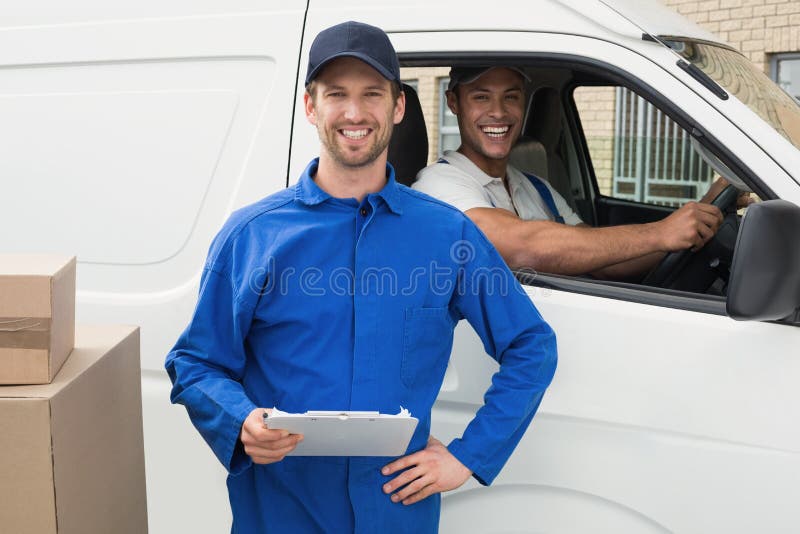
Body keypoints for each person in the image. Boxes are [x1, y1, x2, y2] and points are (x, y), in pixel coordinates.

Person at [165, 22, 557, 534]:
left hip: (396, 510)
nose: (354, 113)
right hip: (280, 510)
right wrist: (239, 420)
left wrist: (468, 457)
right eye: (337, 95)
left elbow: (531, 345)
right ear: (311, 106)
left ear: (397, 108)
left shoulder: (446, 234)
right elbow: (196, 363)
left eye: (372, 94)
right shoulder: (252, 236)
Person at [413, 66, 746, 280]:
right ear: (454, 103)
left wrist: (702, 212)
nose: (498, 112)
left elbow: (599, 260)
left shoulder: (535, 186)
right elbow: (521, 246)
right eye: (481, 97)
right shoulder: (438, 186)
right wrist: (658, 233)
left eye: (511, 97)